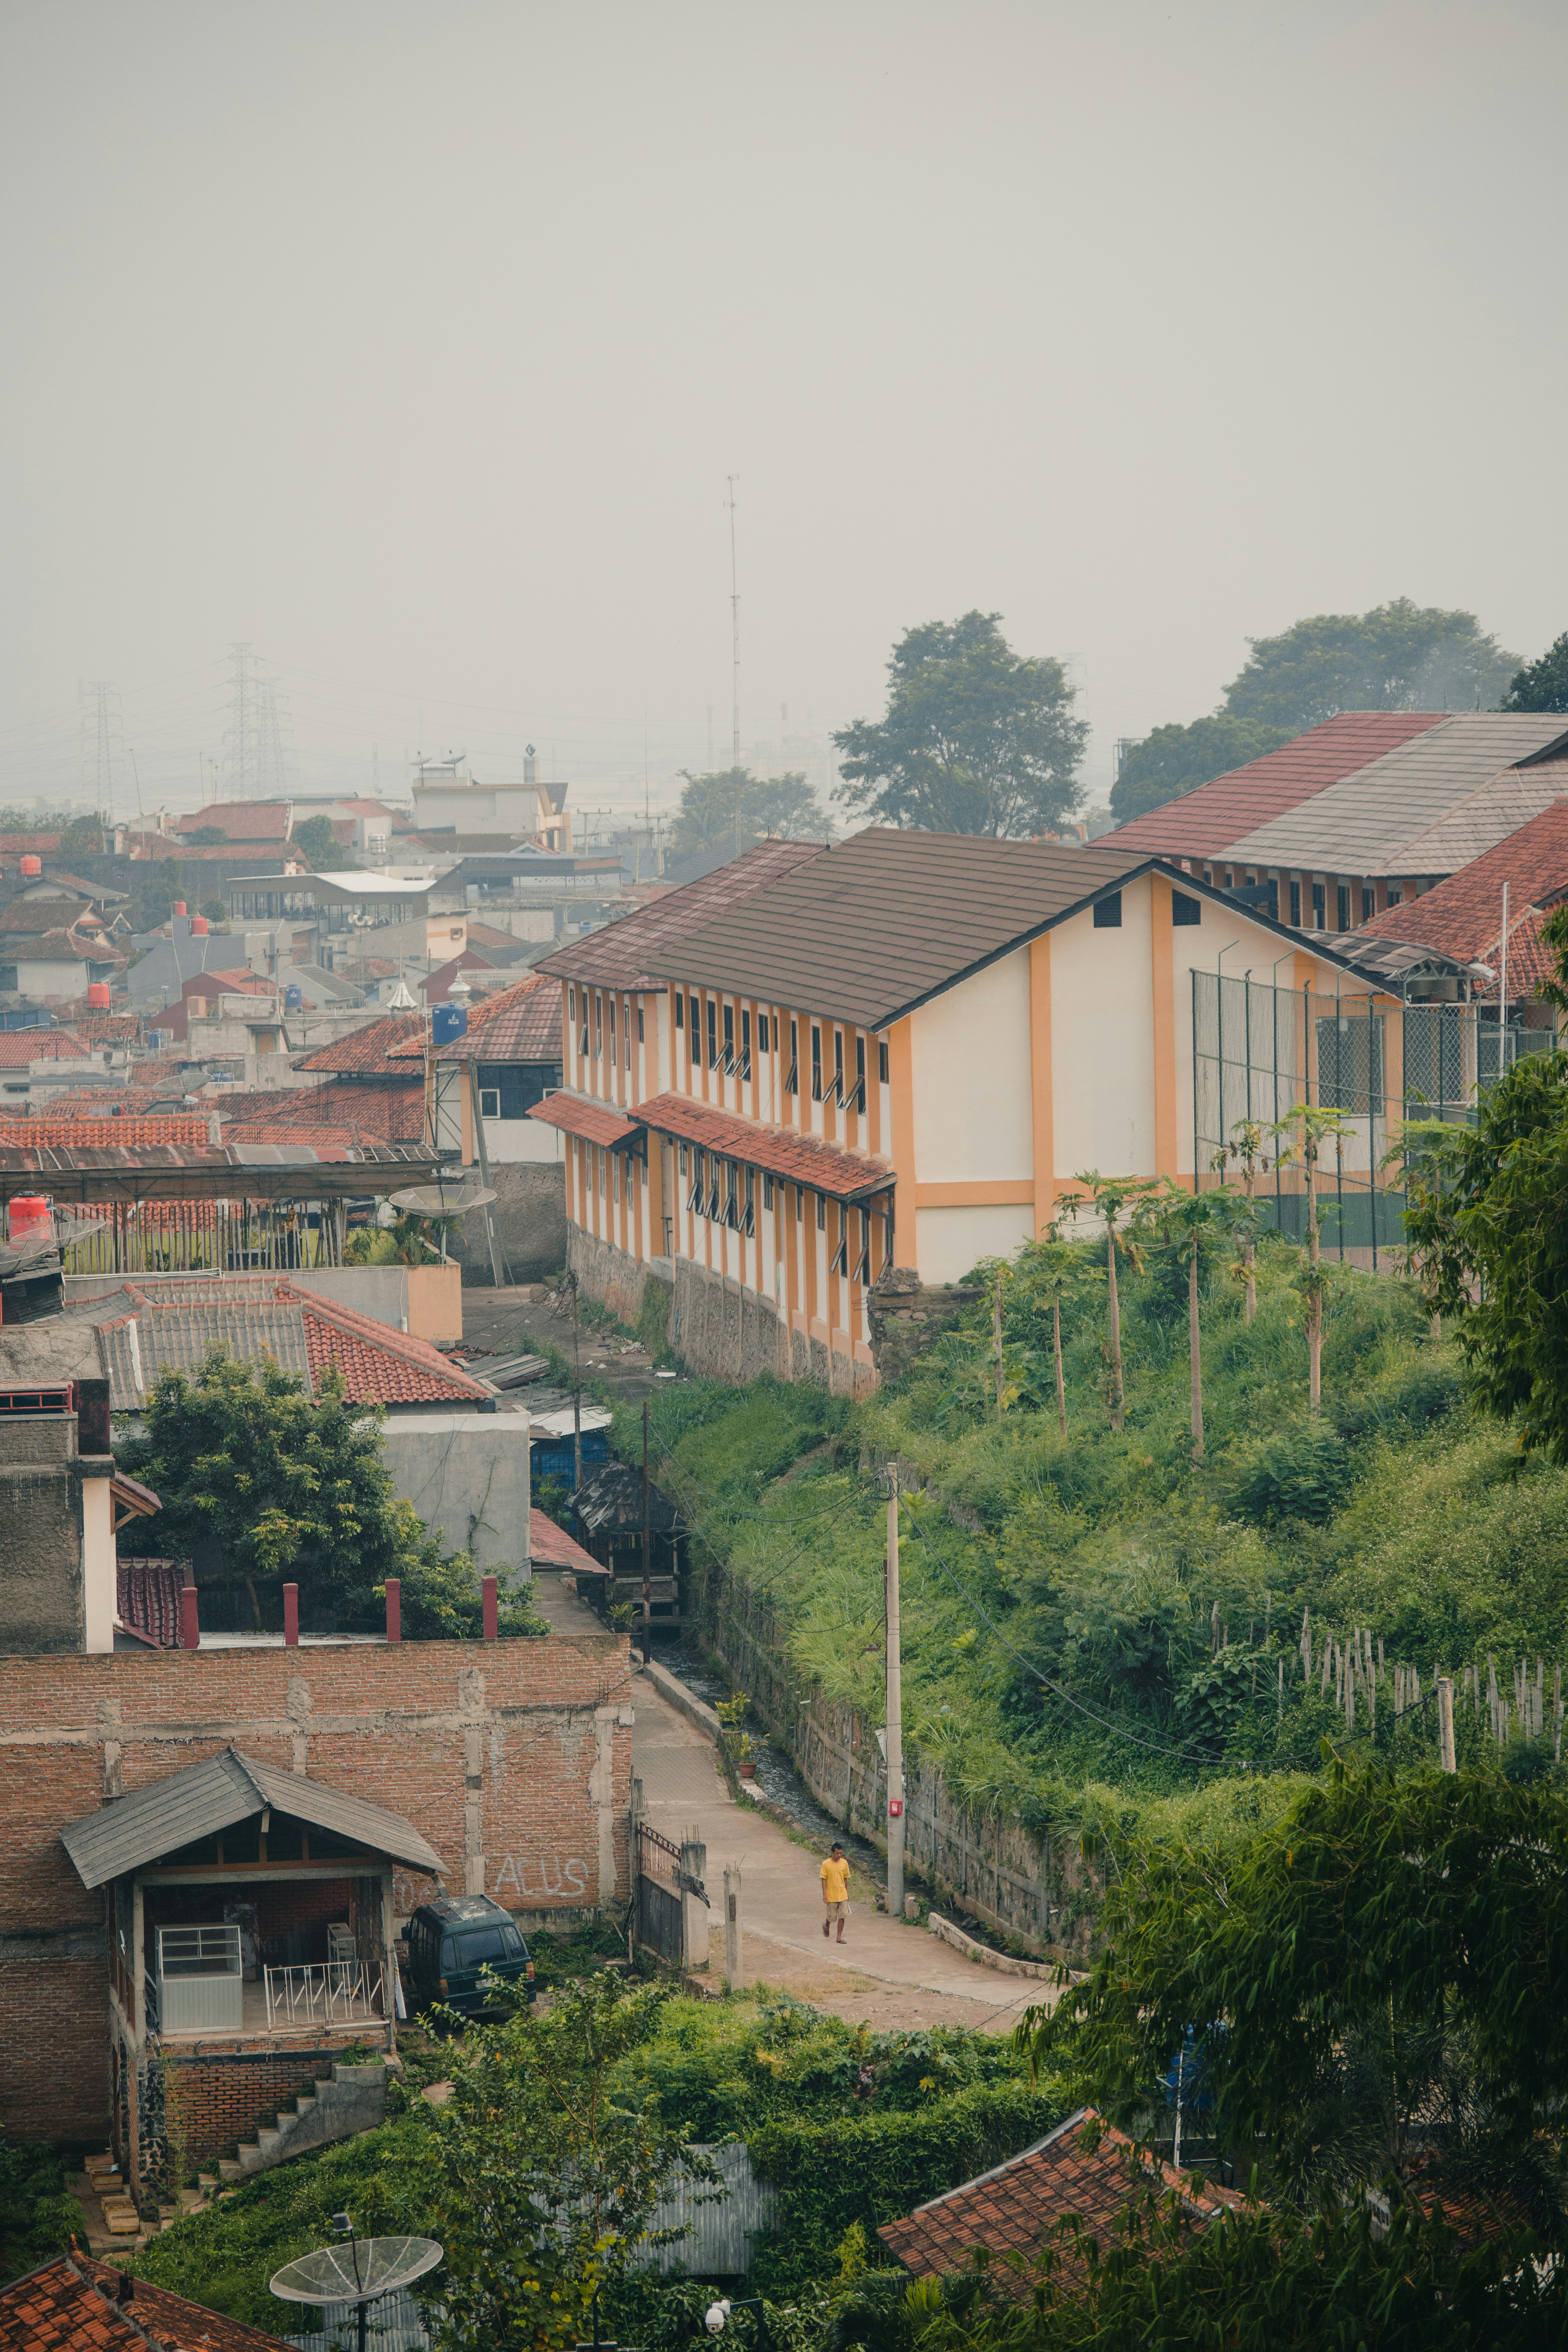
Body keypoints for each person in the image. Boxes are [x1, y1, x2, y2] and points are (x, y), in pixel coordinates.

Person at [820, 1841, 850, 1942]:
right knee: (832, 1917)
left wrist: (847, 1892)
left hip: (842, 1894)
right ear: (832, 1853)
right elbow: (824, 1880)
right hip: (831, 1895)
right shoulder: (826, 1864)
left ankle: (839, 1937)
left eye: (841, 1853)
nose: (839, 1855)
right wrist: (825, 1894)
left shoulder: (844, 1863)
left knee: (843, 1916)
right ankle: (827, 1925)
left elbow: (846, 1878)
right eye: (837, 1853)